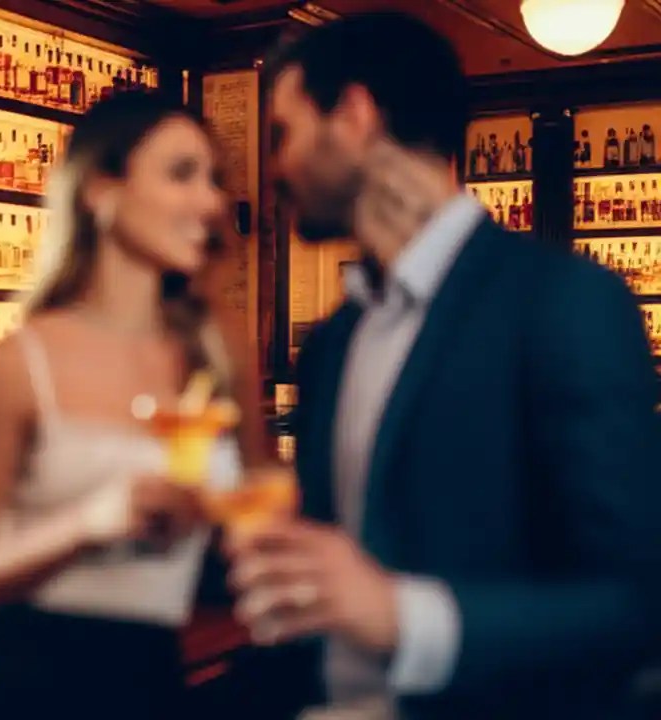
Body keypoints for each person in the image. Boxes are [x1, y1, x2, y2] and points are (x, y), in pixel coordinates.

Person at [224, 11, 661, 720]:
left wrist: (405, 616)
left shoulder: (564, 300)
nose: (273, 167)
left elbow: (638, 602)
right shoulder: (334, 343)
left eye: (283, 134)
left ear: (356, 116)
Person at [0, 91, 270, 720]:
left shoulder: (216, 357)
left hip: (150, 680)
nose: (212, 202)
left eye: (213, 179)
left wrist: (225, 517)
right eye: (180, 174)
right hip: (17, 689)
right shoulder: (19, 363)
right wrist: (92, 522)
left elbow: (257, 519)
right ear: (100, 190)